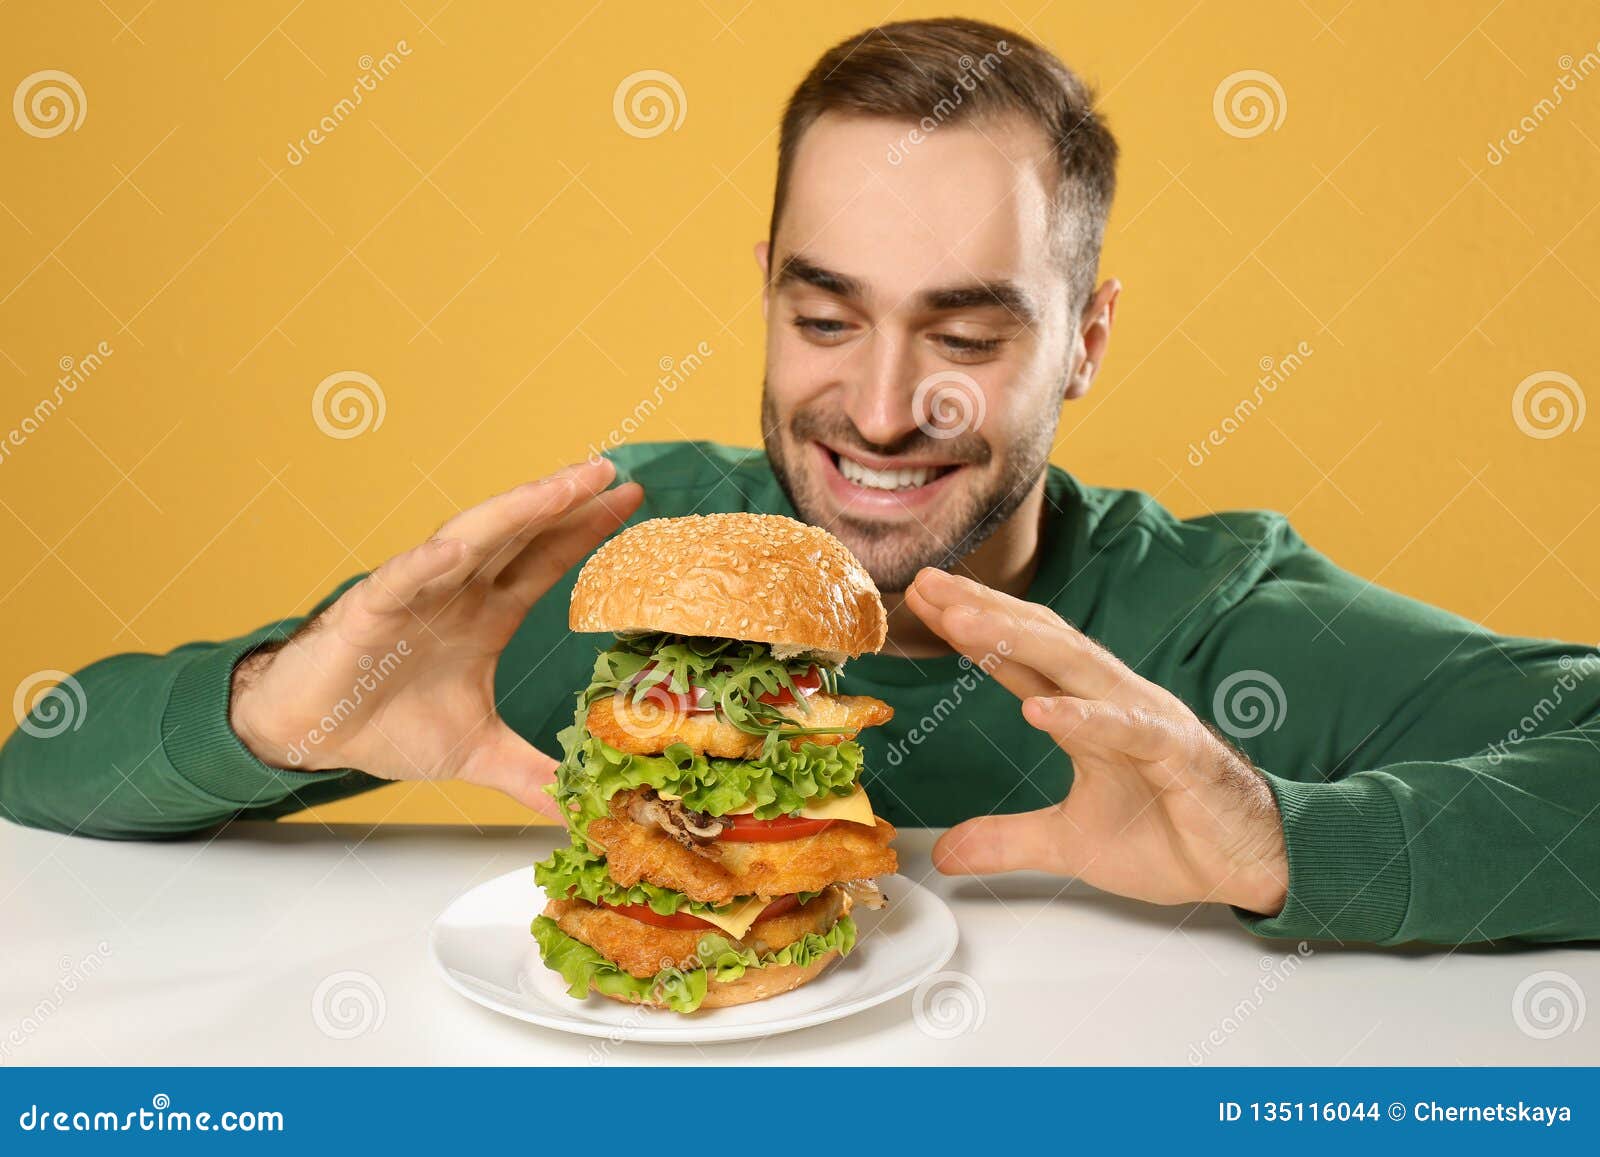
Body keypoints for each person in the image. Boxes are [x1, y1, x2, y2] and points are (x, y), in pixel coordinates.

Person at [3, 18, 1596, 947]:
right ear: (765, 288)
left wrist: (1283, 839)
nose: (882, 412)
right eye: (825, 320)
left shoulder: (1216, 624)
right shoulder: (623, 565)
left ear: (1086, 341)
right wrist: (280, 713)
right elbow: (39, 768)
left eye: (966, 333)